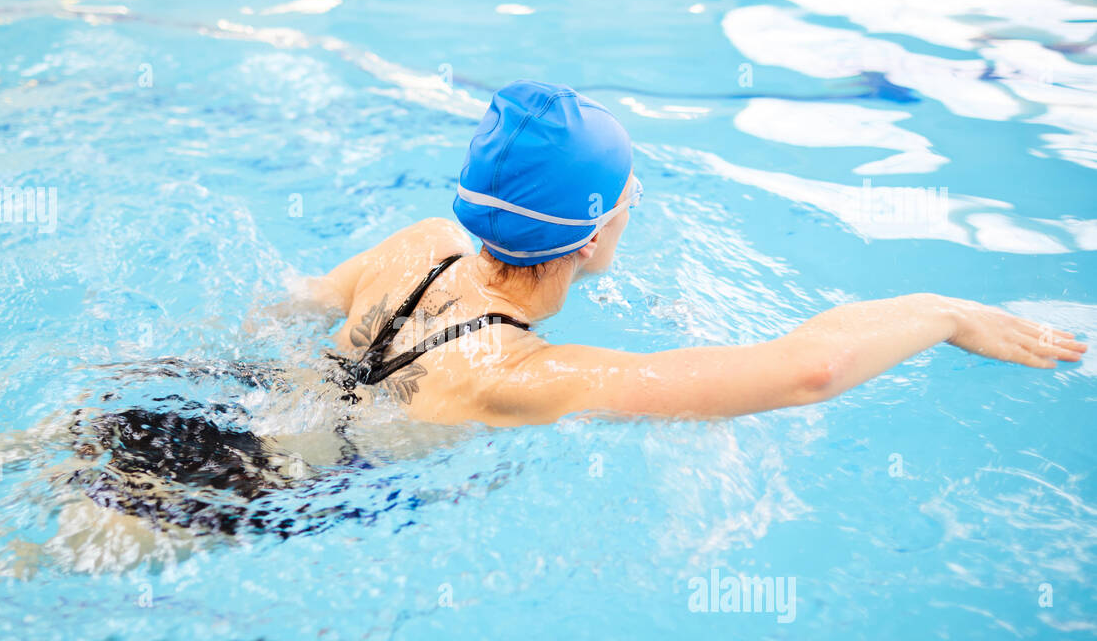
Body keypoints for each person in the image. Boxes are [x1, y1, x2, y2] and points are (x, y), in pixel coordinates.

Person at [297, 79, 1084, 426]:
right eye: (629, 191)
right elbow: (807, 373)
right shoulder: (520, 377)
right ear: (595, 230)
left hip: (212, 419)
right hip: (249, 504)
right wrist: (942, 311)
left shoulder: (418, 246)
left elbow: (280, 311)